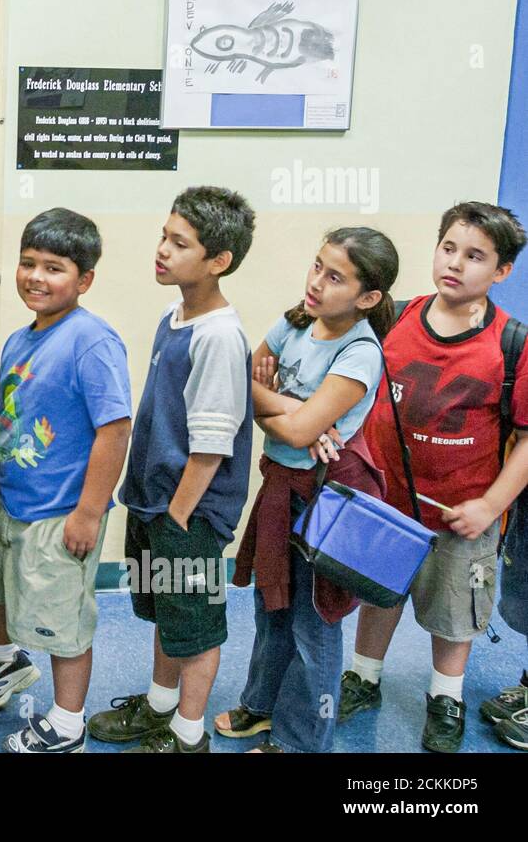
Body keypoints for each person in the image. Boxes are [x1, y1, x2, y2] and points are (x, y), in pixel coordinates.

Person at [341, 202, 528, 752]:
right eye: (449, 248)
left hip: (463, 512)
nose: (456, 264)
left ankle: (446, 697)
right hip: (387, 502)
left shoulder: (512, 345)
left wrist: (490, 505)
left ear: (501, 272)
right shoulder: (393, 319)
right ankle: (363, 677)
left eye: (475, 257)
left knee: (455, 614)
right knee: (379, 595)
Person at [220, 227, 399, 753]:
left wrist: (280, 407)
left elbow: (293, 431)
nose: (316, 282)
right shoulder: (297, 319)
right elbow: (239, 382)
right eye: (317, 266)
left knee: (313, 621)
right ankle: (261, 706)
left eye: (335, 276)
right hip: (282, 487)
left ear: (367, 298)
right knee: (271, 603)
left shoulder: (361, 352)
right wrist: (302, 411)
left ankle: (301, 740)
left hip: (328, 501)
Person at [90, 187, 255, 754]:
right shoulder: (175, 314)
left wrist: (181, 516)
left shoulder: (218, 336)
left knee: (198, 626)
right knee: (167, 611)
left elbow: (210, 446)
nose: (162, 249)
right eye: (164, 235)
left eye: (179, 243)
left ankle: (188, 735)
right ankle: (160, 707)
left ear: (219, 262)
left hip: (187, 513)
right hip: (155, 502)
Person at [0, 208, 132, 753]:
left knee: (60, 622)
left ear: (84, 280)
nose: (36, 277)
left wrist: (89, 512)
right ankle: (1, 670)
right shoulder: (20, 340)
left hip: (61, 511)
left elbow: (114, 431)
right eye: (27, 263)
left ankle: (68, 722)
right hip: (12, 498)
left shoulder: (92, 340)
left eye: (53, 267)